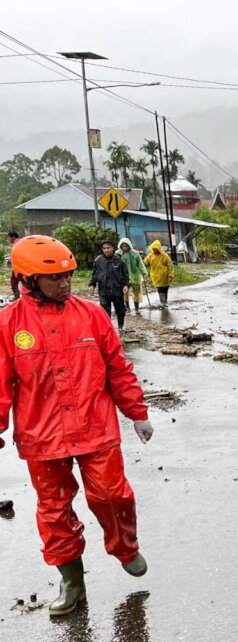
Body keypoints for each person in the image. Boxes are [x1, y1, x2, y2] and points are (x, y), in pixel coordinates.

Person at [0, 235, 154, 617]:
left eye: (69, 275)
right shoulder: (7, 325)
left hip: (95, 427)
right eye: (55, 279)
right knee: (53, 510)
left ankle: (125, 548)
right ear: (28, 280)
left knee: (113, 496)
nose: (66, 284)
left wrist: (137, 411)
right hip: (41, 436)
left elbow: (118, 368)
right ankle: (72, 581)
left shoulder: (92, 315)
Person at [89, 240, 130, 335]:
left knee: (120, 309)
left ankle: (120, 327)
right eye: (104, 248)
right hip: (104, 290)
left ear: (113, 248)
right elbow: (95, 274)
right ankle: (107, 329)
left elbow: (125, 274)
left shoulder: (119, 260)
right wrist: (92, 284)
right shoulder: (98, 260)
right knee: (104, 311)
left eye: (108, 248)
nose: (106, 250)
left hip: (117, 290)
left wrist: (126, 285)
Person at [118, 237, 147, 314]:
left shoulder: (135, 253)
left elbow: (140, 264)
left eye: (126, 246)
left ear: (129, 245)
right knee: (124, 293)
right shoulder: (118, 254)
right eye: (123, 246)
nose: (124, 248)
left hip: (135, 275)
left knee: (136, 292)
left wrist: (144, 273)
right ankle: (127, 308)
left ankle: (136, 308)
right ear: (120, 246)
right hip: (123, 276)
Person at [144, 241, 174, 307]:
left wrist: (170, 276)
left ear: (159, 248)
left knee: (165, 289)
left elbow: (170, 266)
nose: (155, 250)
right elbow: (145, 263)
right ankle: (162, 302)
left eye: (156, 249)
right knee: (160, 289)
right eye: (153, 249)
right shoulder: (150, 256)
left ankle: (165, 301)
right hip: (156, 277)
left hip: (165, 277)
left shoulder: (165, 256)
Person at [6, 231, 19, 300]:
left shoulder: (16, 244)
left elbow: (14, 255)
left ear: (13, 237)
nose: (9, 239)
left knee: (13, 282)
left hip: (18, 267)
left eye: (10, 238)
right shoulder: (20, 242)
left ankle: (17, 297)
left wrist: (9, 260)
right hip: (24, 267)